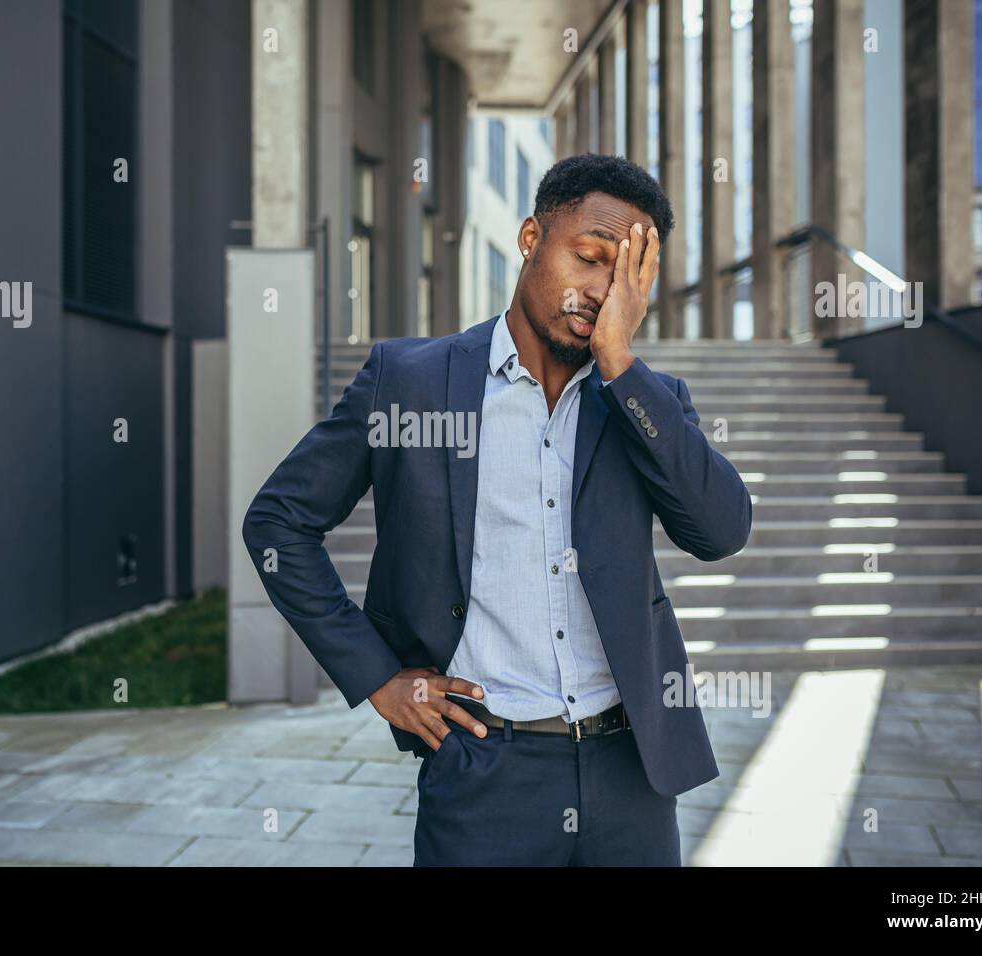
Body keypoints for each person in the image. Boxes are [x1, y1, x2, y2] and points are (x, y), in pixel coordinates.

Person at [242, 153, 753, 866]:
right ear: (530, 238)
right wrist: (378, 678)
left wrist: (619, 366)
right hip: (484, 774)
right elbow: (278, 523)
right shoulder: (412, 384)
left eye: (624, 276)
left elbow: (721, 531)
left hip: (631, 777)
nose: (599, 290)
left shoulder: (645, 400)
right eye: (589, 257)